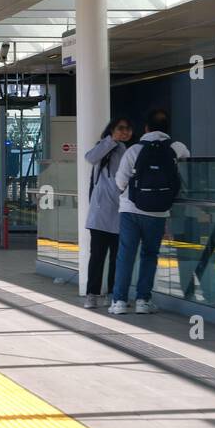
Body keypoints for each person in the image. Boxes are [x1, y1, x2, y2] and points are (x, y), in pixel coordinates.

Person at [109, 109, 189, 314]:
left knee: (125, 255)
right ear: (168, 129)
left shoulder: (134, 150)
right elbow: (187, 162)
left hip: (131, 210)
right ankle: (143, 301)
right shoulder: (176, 147)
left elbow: (120, 182)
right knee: (150, 255)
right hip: (158, 212)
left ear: (146, 128)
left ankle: (119, 302)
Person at [82, 117, 132, 308]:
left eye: (128, 129)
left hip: (120, 211)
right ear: (112, 129)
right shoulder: (104, 146)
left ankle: (113, 293)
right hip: (101, 212)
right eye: (121, 128)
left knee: (117, 257)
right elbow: (90, 157)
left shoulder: (128, 150)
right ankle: (92, 294)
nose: (125, 132)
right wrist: (111, 140)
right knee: (97, 256)